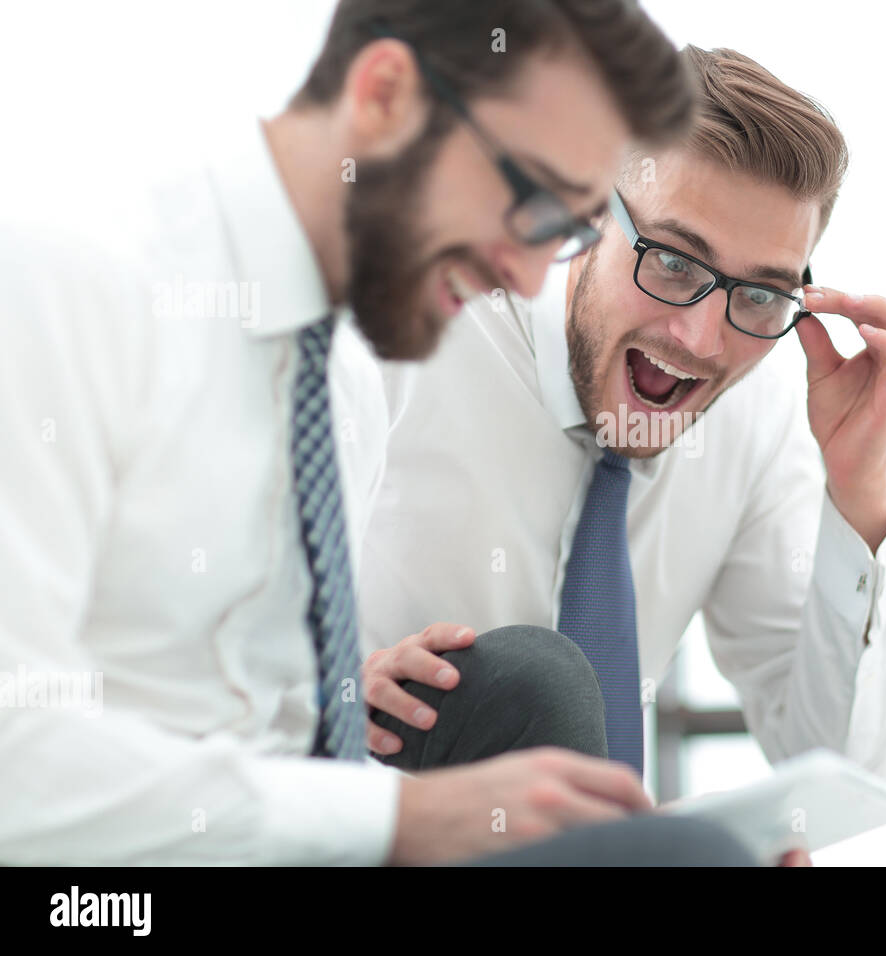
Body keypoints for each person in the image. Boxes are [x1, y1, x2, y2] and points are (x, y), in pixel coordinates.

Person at [0, 0, 758, 867]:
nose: (521, 272)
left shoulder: (343, 385)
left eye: (567, 231)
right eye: (529, 201)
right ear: (387, 96)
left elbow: (281, 765)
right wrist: (400, 822)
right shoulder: (67, 277)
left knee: (677, 849)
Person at [360, 47, 886, 786]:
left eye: (760, 295)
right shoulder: (397, 334)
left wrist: (857, 493)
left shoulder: (752, 420)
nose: (699, 338)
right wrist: (326, 707)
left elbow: (839, 766)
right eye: (673, 261)